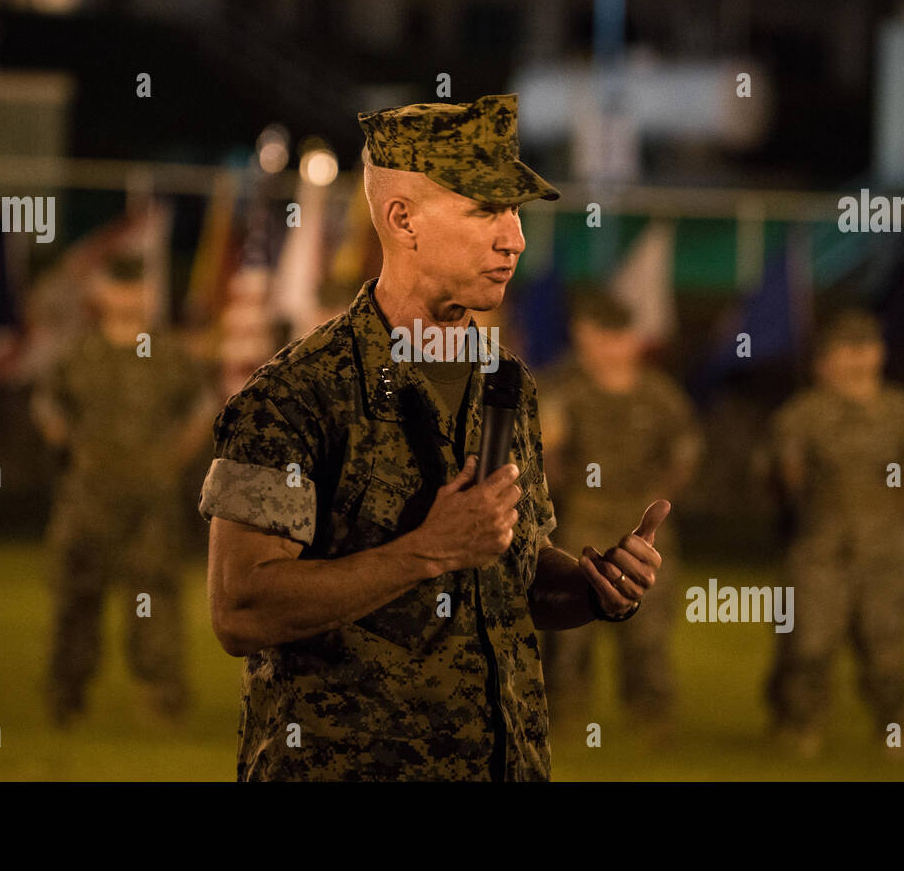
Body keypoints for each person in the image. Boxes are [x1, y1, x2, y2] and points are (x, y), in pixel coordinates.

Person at [200, 93, 671, 781]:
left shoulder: (506, 385)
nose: (514, 238)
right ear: (402, 218)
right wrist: (423, 552)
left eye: (515, 212)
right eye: (486, 210)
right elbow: (239, 609)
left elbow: (506, 577)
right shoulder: (298, 395)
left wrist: (593, 590)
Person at [32, 254, 215, 727]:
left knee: (154, 597)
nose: (129, 297)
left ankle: (162, 696)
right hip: (88, 497)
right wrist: (71, 448)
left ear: (147, 295)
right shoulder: (79, 353)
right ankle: (66, 695)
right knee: (76, 597)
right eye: (119, 286)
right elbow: (48, 405)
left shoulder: (169, 354)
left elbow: (202, 408)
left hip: (151, 501)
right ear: (103, 293)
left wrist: (168, 460)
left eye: (137, 288)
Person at [765, 310, 904, 757]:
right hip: (821, 546)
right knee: (809, 641)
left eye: (866, 348)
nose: (857, 359)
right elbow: (790, 476)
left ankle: (893, 730)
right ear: (825, 360)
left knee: (888, 646)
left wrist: (886, 518)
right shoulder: (802, 414)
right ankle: (799, 726)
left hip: (888, 549)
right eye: (847, 350)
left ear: (880, 353)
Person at [539, 287, 702, 739]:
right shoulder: (562, 388)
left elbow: (684, 453)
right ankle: (565, 714)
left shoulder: (659, 393)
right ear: (582, 335)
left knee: (648, 623)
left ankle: (650, 714)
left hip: (643, 527)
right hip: (583, 520)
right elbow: (546, 452)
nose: (609, 346)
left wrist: (657, 503)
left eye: (618, 336)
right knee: (571, 627)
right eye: (598, 335)